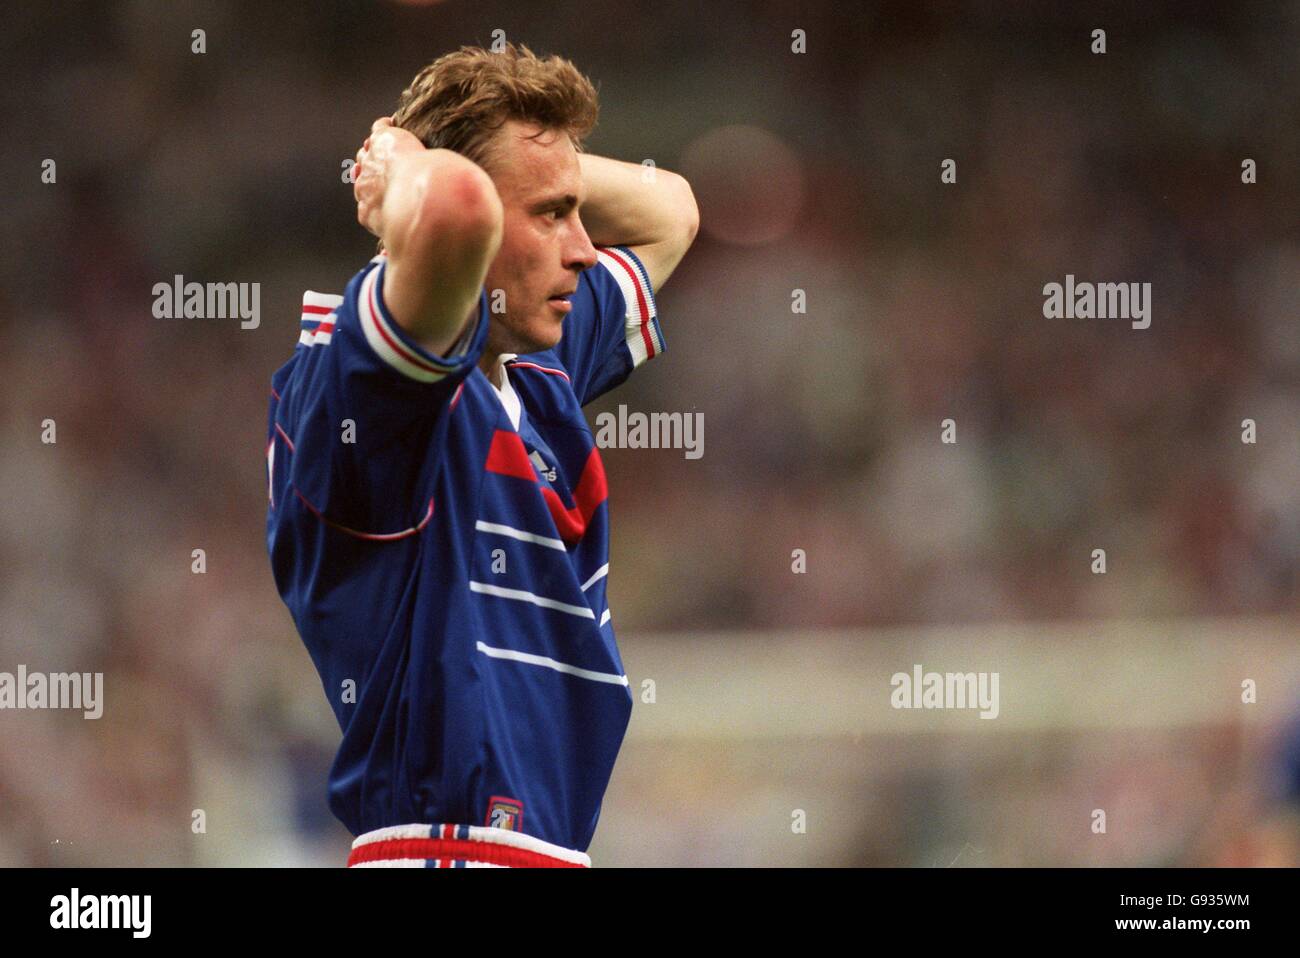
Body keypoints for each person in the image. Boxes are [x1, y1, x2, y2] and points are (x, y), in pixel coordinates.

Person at [265, 42, 698, 867]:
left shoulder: (537, 373)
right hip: (446, 851)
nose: (583, 247)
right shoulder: (366, 390)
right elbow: (455, 210)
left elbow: (671, 211)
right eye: (548, 215)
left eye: (575, 209)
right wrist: (400, 159)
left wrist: (536, 160)